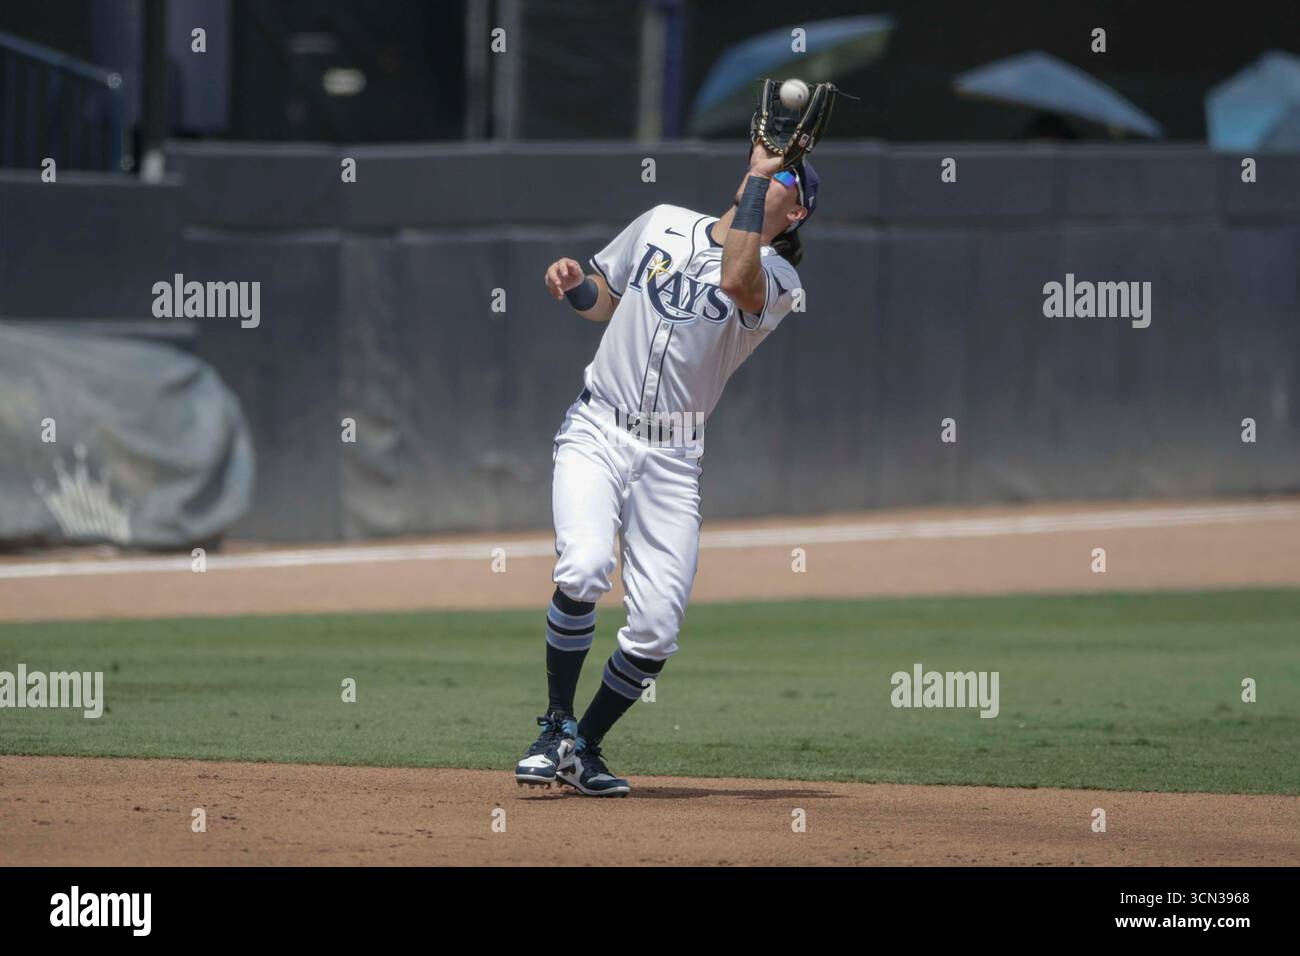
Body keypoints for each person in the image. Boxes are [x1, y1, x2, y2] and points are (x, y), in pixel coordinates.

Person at [515, 142, 818, 796]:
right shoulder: (660, 222)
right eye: (770, 169)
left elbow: (736, 283)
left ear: (794, 215)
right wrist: (574, 286)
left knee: (655, 630)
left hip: (673, 457)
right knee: (585, 564)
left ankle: (583, 749)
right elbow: (605, 299)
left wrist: (763, 179)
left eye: (788, 181)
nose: (773, 180)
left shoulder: (779, 278)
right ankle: (554, 726)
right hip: (599, 425)